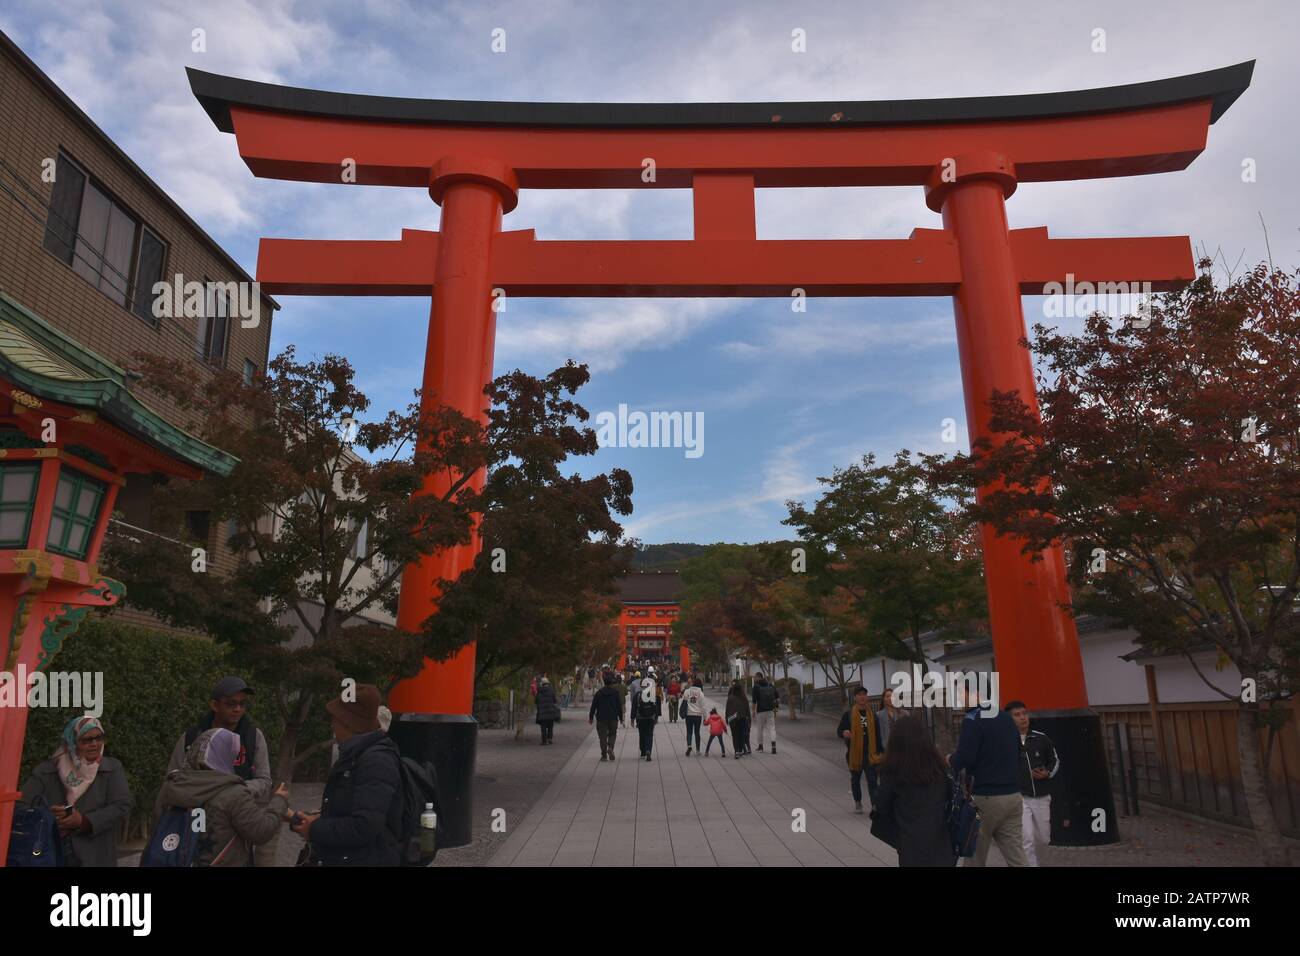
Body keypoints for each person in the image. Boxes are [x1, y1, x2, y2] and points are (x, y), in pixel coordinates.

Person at [289, 684, 402, 866]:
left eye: (335, 718)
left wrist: (315, 829)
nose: (332, 724)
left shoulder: (376, 761)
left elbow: (364, 826)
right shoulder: (355, 754)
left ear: (348, 722)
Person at [156, 728, 291, 866]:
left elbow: (157, 826)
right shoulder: (233, 793)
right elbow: (261, 831)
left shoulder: (171, 787)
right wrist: (279, 800)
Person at [21, 716, 129, 867]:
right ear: (72, 742)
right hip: (51, 851)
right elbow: (21, 805)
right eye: (86, 740)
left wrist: (84, 821)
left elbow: (121, 806)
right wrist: (49, 817)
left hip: (95, 854)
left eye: (99, 738)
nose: (94, 744)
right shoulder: (47, 771)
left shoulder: (111, 768)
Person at [948, 691, 1030, 867]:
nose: (960, 699)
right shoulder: (1005, 717)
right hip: (1013, 797)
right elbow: (1019, 752)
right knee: (1016, 856)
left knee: (975, 853)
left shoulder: (972, 718)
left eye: (962, 693)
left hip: (983, 801)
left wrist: (949, 759)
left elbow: (965, 757)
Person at [872, 716, 956, 867]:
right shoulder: (939, 767)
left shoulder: (893, 771)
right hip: (941, 840)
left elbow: (881, 805)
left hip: (910, 842)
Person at [1008, 700, 1061, 867]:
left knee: (1043, 838)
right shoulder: (1006, 742)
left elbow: (1055, 760)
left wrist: (1047, 772)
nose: (1023, 718)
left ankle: (1034, 860)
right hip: (1019, 797)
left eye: (1024, 713)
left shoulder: (1041, 738)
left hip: (1041, 795)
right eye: (1017, 715)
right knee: (1027, 838)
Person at [837, 686, 883, 812]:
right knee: (855, 779)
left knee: (872, 779)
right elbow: (839, 731)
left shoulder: (872, 715)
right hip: (854, 753)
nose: (862, 697)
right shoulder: (849, 715)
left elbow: (878, 734)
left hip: (870, 752)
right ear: (855, 698)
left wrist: (880, 751)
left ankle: (874, 804)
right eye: (859, 694)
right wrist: (844, 733)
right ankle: (858, 802)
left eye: (864, 694)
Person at [589, 672, 626, 761]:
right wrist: (621, 718)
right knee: (613, 734)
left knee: (602, 736)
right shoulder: (615, 693)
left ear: (604, 683)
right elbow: (619, 706)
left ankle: (604, 755)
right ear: (612, 683)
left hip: (601, 718)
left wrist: (591, 717)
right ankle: (610, 747)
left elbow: (593, 706)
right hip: (613, 717)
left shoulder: (599, 693)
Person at [633, 672, 660, 760]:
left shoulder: (637, 695)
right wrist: (656, 717)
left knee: (642, 734)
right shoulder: (652, 694)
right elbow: (655, 707)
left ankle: (643, 752)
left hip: (640, 717)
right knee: (649, 734)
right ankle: (648, 750)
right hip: (650, 717)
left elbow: (634, 708)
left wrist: (632, 719)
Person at [751, 673, 779, 754]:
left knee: (760, 728)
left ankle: (760, 746)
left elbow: (754, 701)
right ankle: (773, 746)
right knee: (772, 728)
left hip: (761, 711)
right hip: (770, 710)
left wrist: (753, 711)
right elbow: (777, 698)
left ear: (758, 677)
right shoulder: (770, 685)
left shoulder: (756, 687)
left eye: (755, 677)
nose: (754, 679)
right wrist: (776, 709)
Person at [725, 680, 751, 759]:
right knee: (741, 735)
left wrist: (726, 718)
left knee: (735, 735)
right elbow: (747, 709)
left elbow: (727, 709)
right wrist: (749, 719)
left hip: (732, 718)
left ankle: (736, 751)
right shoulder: (743, 697)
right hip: (742, 718)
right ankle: (740, 750)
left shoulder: (730, 698)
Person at [681, 677, 705, 756]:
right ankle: (698, 750)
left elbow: (684, 701)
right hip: (698, 715)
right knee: (697, 732)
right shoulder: (700, 693)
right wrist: (705, 717)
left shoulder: (687, 691)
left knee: (689, 731)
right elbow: (703, 706)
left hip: (689, 714)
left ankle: (689, 746)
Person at [876, 687, 903, 753]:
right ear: (883, 699)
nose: (890, 698)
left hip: (902, 748)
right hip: (886, 749)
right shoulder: (878, 715)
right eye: (887, 696)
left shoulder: (903, 714)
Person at [536, 677, 561, 745]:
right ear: (548, 684)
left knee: (543, 726)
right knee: (550, 726)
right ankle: (550, 739)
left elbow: (536, 701)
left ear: (542, 684)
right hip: (550, 711)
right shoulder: (551, 691)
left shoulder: (539, 691)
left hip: (542, 712)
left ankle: (544, 741)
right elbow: (554, 700)